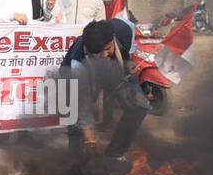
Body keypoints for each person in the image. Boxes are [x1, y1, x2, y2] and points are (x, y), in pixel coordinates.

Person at [60, 19, 151, 162]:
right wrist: (89, 139)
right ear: (89, 49)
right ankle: (77, 162)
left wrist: (128, 62)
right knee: (75, 119)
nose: (105, 55)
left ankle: (115, 153)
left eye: (108, 48)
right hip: (77, 79)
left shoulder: (124, 29)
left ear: (113, 38)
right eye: (99, 53)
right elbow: (81, 103)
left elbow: (127, 52)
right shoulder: (77, 63)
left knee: (139, 104)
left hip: (113, 71)